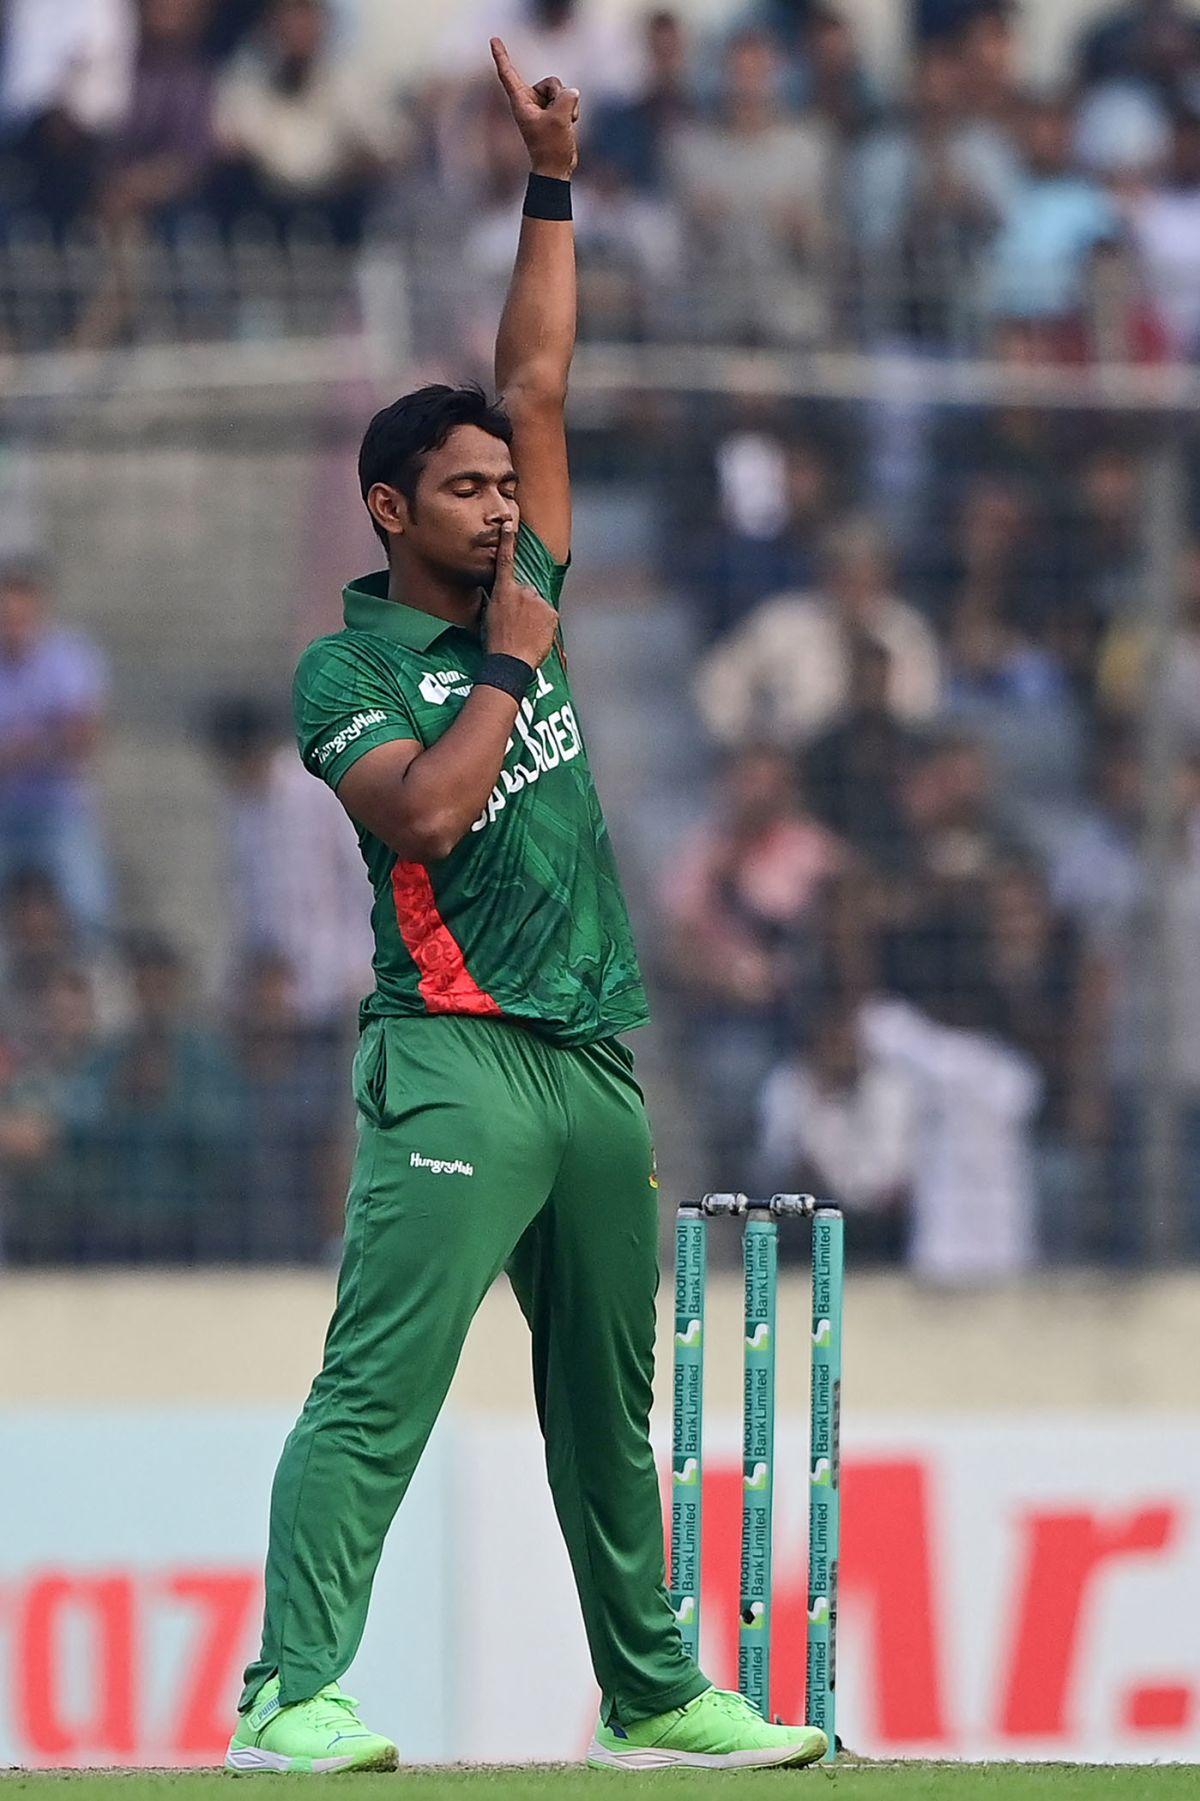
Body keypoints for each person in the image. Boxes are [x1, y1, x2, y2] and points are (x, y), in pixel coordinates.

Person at [225, 41, 828, 1776]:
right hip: (455, 1061)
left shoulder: (528, 574)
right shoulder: (351, 664)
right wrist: (503, 666)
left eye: (512, 489)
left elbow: (540, 374)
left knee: (604, 1412)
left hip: (591, 1059)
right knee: (378, 1389)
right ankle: (291, 1690)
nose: (504, 509)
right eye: (471, 492)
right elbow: (420, 812)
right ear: (390, 508)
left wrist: (551, 179)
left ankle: (650, 1691)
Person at [0, 565, 111, 934]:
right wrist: (45, 740)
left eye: (20, 616)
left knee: (88, 910)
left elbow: (83, 737)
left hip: (58, 810)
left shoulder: (69, 657)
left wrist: (19, 750)